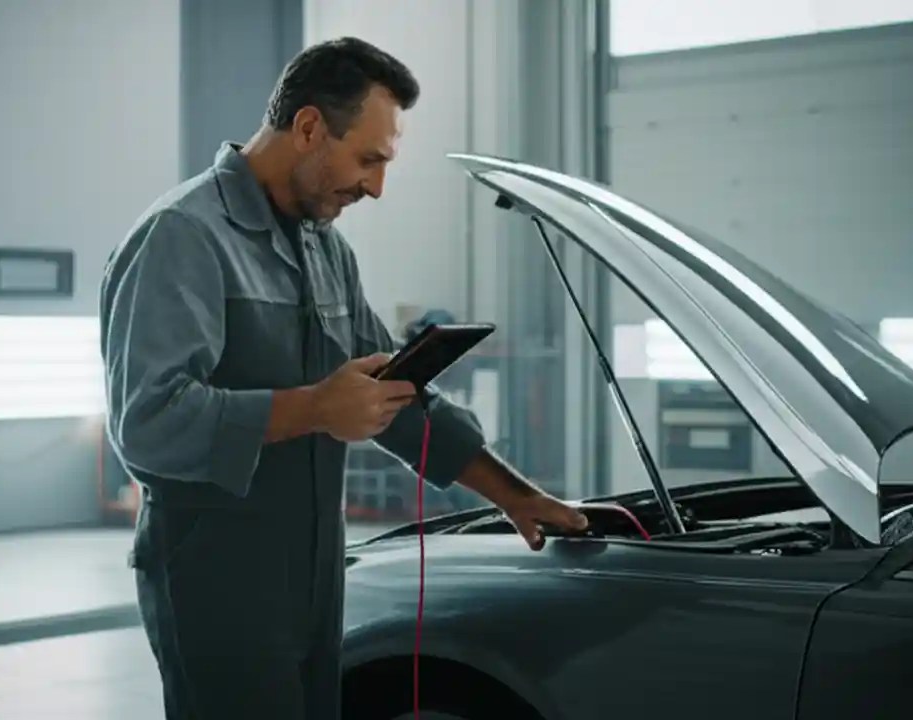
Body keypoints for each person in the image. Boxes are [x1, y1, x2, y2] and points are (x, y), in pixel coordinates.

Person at [99, 36, 588, 720]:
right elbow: (148, 425)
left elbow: (394, 393)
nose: (377, 187)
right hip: (217, 586)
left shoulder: (326, 248)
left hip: (316, 577)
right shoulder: (183, 237)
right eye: (369, 159)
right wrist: (315, 409)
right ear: (307, 127)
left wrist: (515, 496)